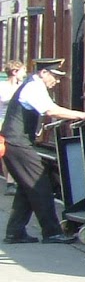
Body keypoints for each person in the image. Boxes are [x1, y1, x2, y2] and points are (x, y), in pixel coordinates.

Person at [3, 59, 85, 243]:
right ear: (43, 73)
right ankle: (52, 232)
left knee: (28, 188)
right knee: (41, 185)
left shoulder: (33, 85)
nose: (56, 81)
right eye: (54, 76)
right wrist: (83, 115)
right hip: (17, 142)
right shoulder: (33, 87)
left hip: (15, 142)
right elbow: (50, 110)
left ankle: (14, 232)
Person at [0, 60, 24, 193]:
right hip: (2, 121)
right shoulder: (2, 87)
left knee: (11, 151)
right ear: (15, 72)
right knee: (4, 152)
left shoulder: (22, 87)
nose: (24, 74)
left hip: (16, 123)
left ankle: (12, 182)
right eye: (22, 71)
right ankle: (10, 182)